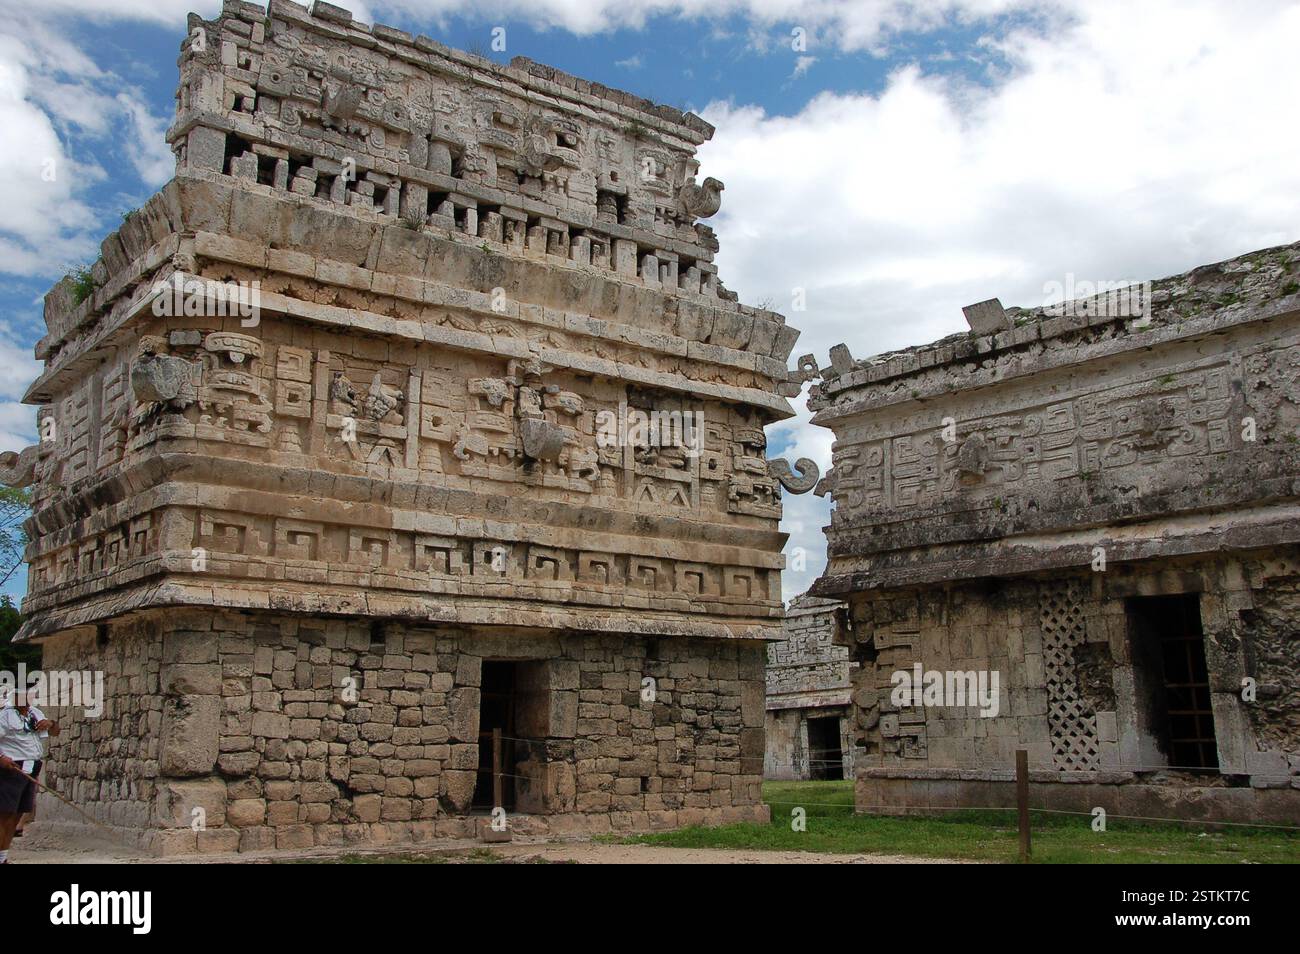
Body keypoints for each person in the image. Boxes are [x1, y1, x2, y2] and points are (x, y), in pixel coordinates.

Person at [0, 691, 59, 864]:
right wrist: (1, 758)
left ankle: (3, 858)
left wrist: (51, 723)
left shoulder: (35, 713)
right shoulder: (5, 716)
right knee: (5, 815)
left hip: (32, 766)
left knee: (16, 816)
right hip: (13, 768)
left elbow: (55, 732)